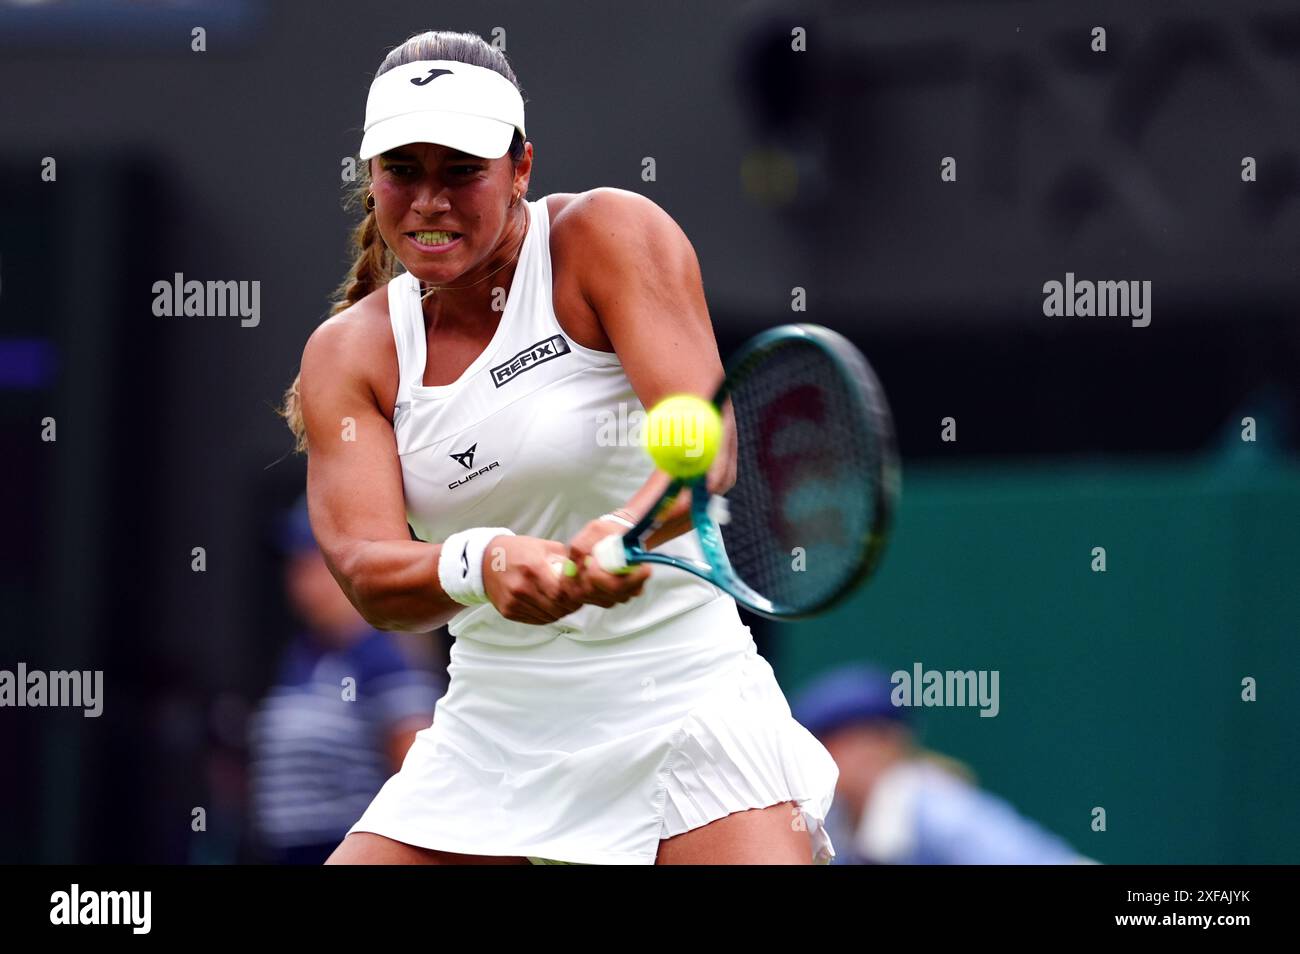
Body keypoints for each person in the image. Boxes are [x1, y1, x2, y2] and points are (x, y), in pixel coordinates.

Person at [279, 30, 839, 865]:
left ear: (521, 169)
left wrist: (631, 525)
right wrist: (483, 562)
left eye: (462, 170)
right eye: (403, 170)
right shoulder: (347, 353)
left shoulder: (608, 236)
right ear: (372, 178)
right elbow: (367, 572)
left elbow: (703, 438)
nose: (429, 200)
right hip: (493, 734)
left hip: (685, 700)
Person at [247, 496, 442, 865]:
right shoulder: (302, 654)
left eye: (312, 565)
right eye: (295, 567)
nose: (300, 582)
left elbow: (418, 777)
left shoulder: (383, 656)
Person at [791, 665, 1094, 864]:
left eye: (838, 742)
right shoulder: (836, 824)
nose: (823, 754)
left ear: (886, 743)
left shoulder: (940, 815)